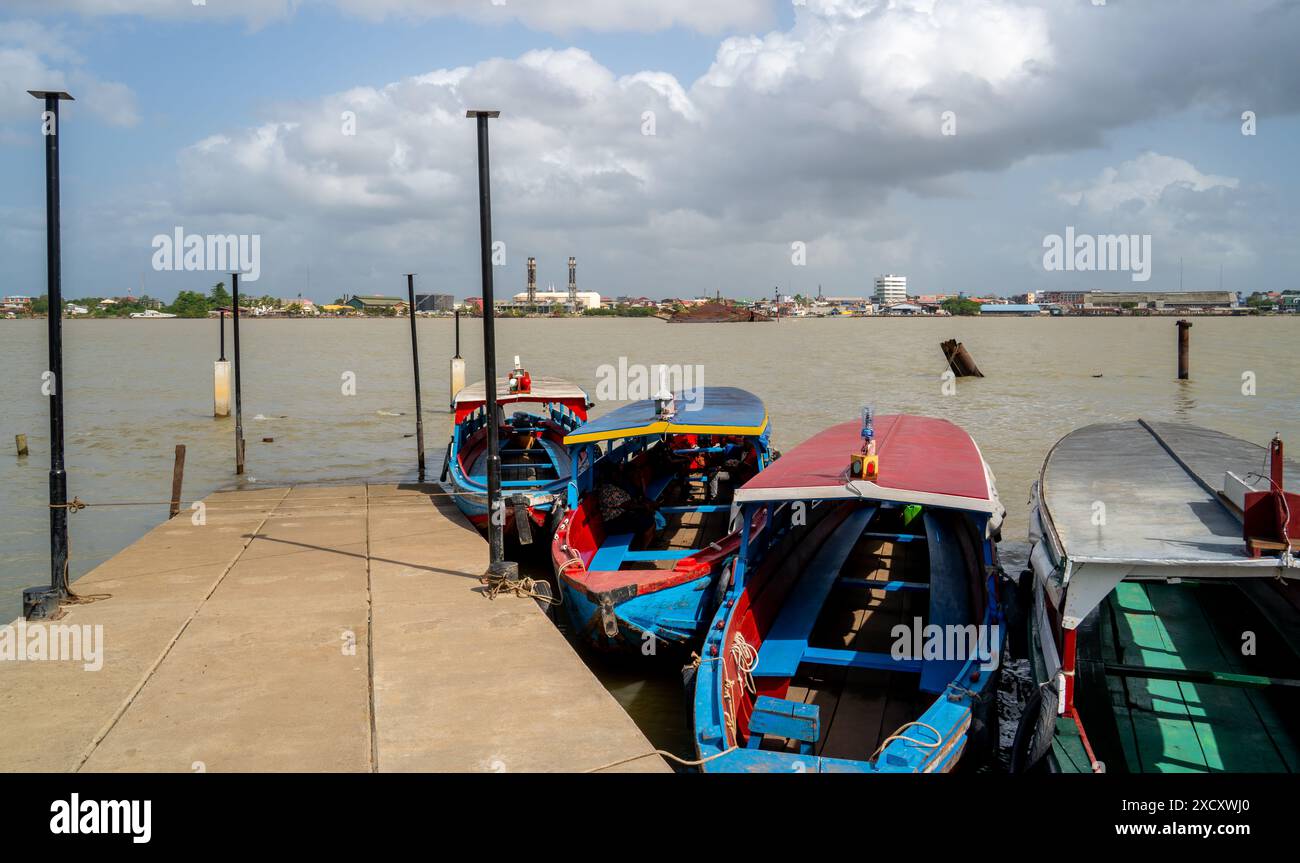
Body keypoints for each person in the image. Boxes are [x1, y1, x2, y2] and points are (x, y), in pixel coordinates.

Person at [595, 462, 658, 537]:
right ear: (611, 475)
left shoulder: (615, 485)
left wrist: (645, 505)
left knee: (648, 516)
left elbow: (637, 497)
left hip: (622, 516)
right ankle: (642, 547)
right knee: (647, 521)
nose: (618, 475)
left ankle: (648, 540)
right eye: (616, 473)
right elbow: (627, 505)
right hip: (613, 523)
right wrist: (644, 506)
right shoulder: (607, 489)